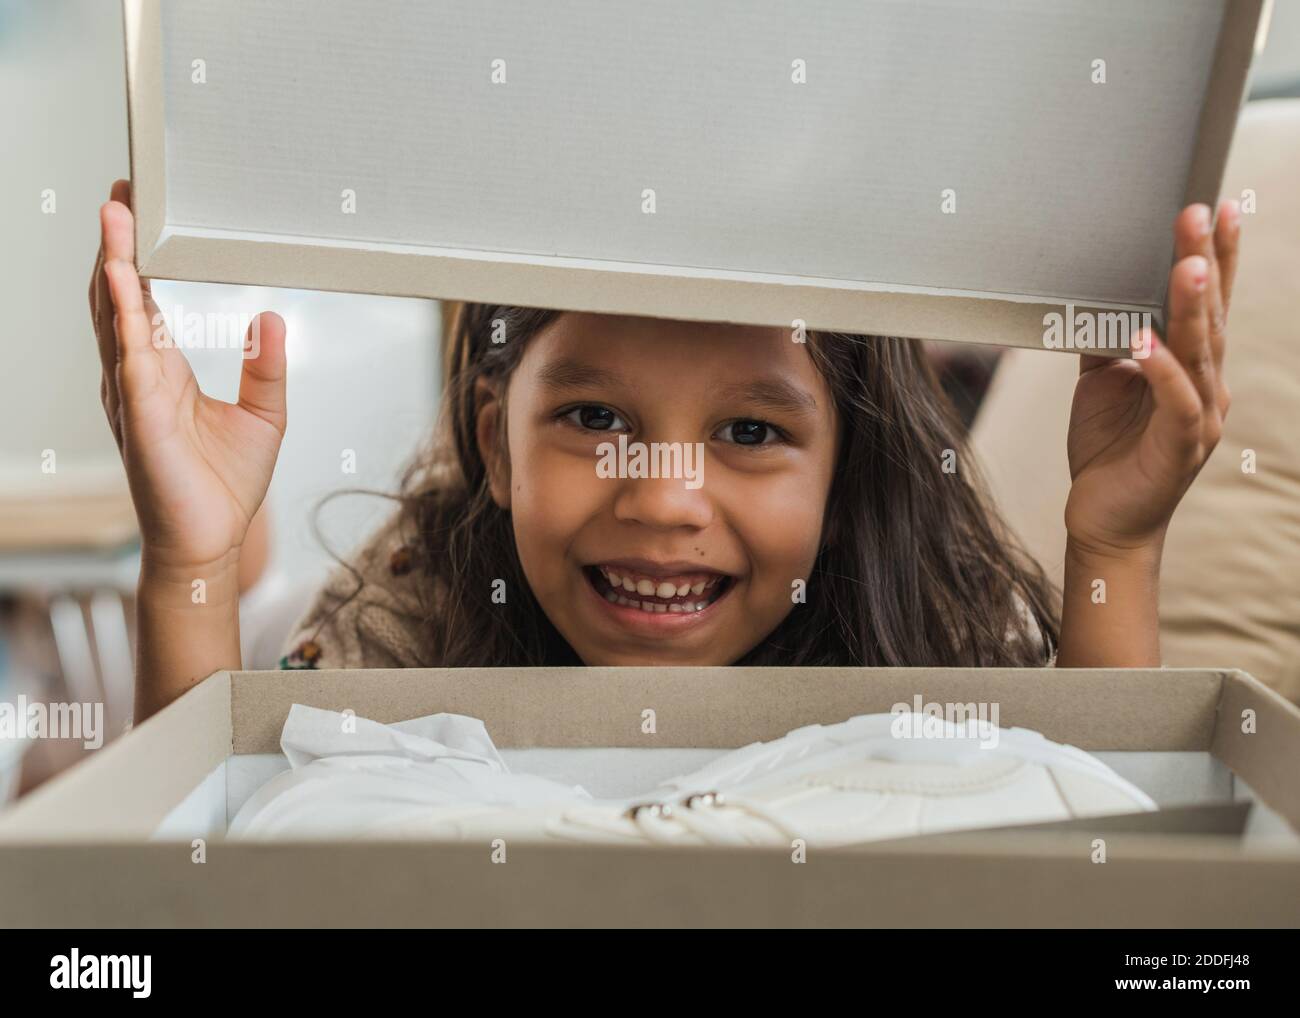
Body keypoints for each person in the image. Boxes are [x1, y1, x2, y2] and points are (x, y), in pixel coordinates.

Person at [89, 180, 1239, 722]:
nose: (663, 500)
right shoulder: (417, 603)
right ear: (495, 440)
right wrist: (189, 554)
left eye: (750, 433)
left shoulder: (925, 624)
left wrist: (1116, 542)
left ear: (848, 472)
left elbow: (1103, 838)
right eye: (594, 420)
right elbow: (215, 866)